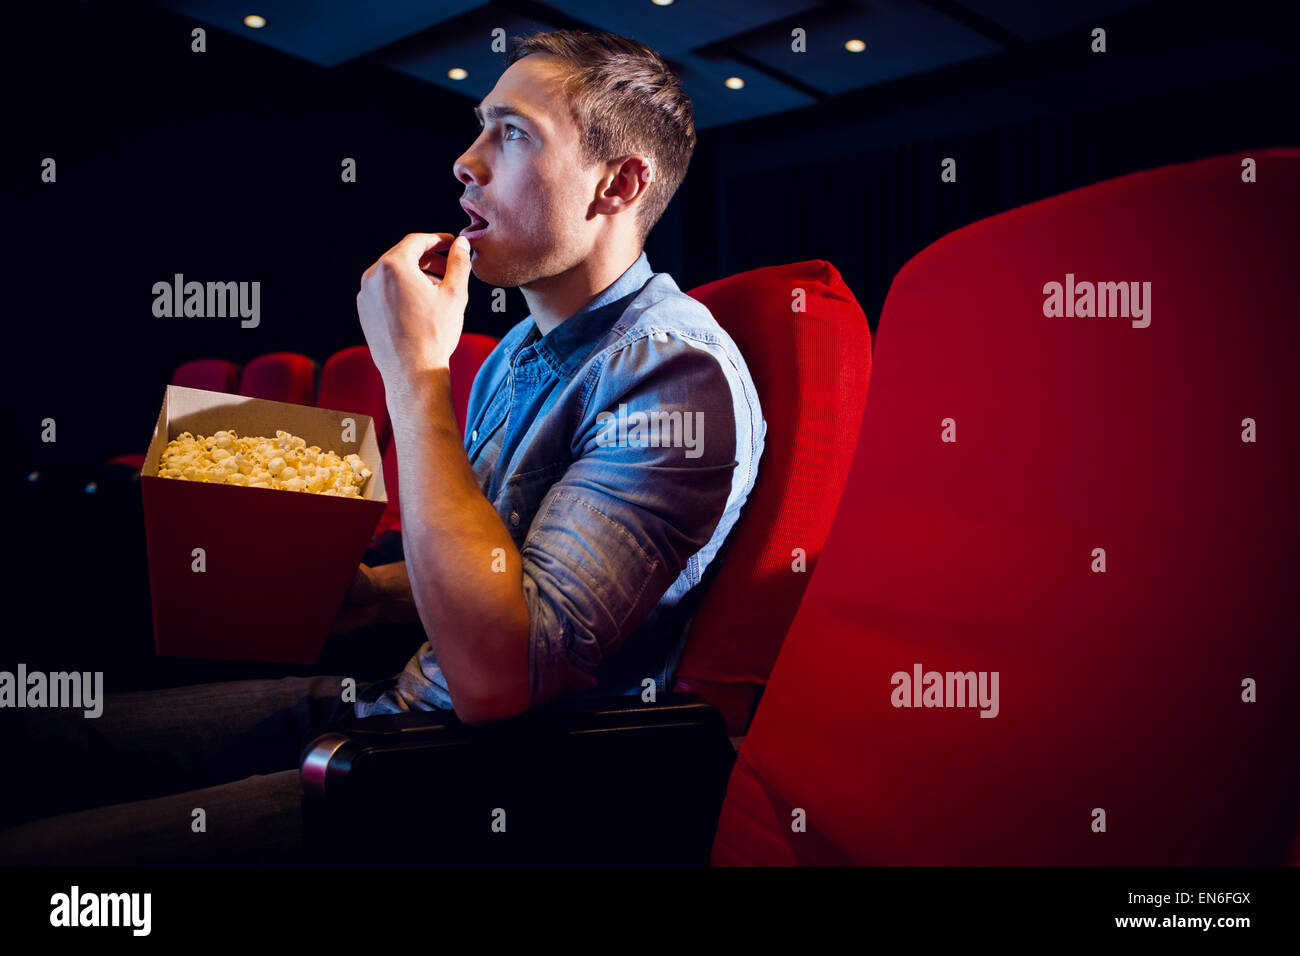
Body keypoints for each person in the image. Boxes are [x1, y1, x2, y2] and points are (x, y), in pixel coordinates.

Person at [0, 28, 764, 865]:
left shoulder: (675, 374)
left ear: (619, 183)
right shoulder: (519, 352)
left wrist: (416, 377)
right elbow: (504, 552)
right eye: (479, 127)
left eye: (512, 133)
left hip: (481, 773)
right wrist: (369, 594)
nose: (466, 162)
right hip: (390, 701)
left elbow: (501, 677)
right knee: (31, 738)